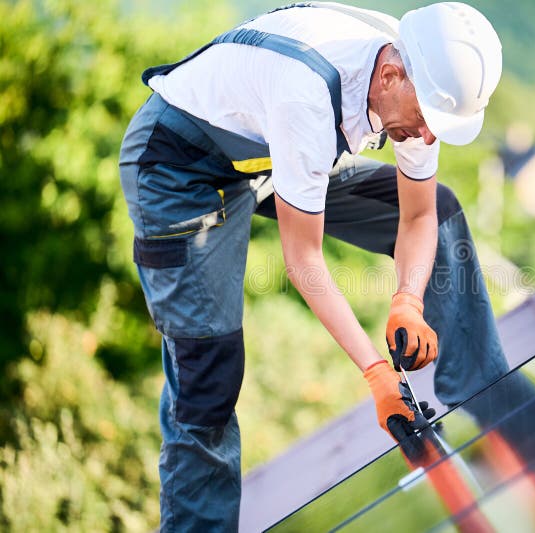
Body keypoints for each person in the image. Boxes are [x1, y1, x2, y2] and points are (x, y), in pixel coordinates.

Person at [119, 2, 507, 530]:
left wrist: (408, 302)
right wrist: (376, 373)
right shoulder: (309, 95)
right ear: (390, 76)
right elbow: (303, 259)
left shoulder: (414, 78)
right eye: (427, 120)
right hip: (178, 169)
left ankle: (492, 409)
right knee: (208, 376)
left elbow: (418, 214)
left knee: (442, 213)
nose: (429, 136)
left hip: (269, 151)